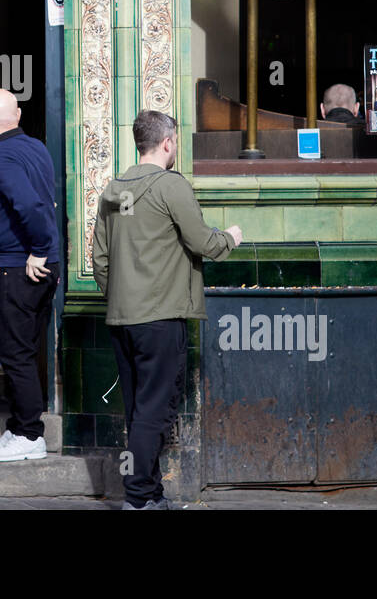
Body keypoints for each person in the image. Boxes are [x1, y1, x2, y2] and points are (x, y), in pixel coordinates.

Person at [92, 110, 243, 510]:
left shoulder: (114, 190)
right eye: (176, 140)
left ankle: (151, 492)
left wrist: (121, 297)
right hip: (160, 318)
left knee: (139, 409)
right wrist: (230, 237)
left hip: (123, 319)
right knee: (154, 410)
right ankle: (139, 498)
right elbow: (202, 244)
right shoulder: (171, 187)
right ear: (168, 143)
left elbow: (100, 260)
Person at [0, 88, 60, 463]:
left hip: (18, 268)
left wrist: (38, 248)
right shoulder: (36, 148)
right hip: (41, 267)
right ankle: (18, 426)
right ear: (19, 114)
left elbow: (29, 204)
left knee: (17, 355)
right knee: (26, 351)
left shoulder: (1, 157)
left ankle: (29, 435)